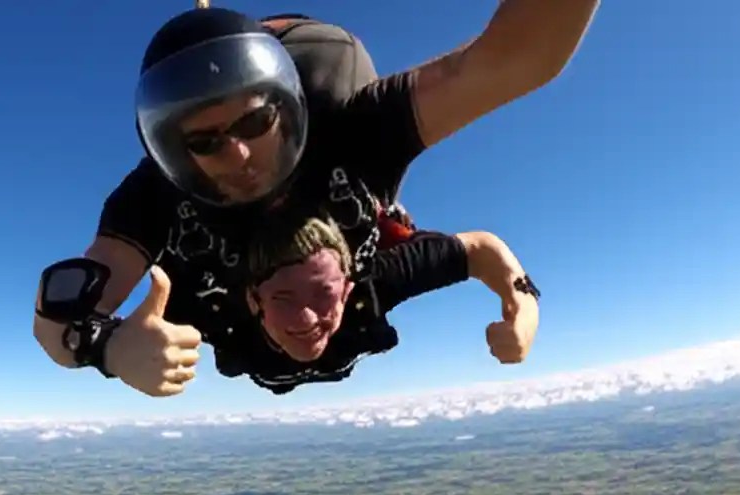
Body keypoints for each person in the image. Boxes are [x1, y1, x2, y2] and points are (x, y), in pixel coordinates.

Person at [32, 2, 600, 398]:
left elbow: (517, 59)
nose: (239, 155)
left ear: (286, 105)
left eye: (254, 121)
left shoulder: (352, 134)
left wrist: (524, 302)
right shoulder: (157, 203)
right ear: (175, 153)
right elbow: (59, 319)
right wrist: (111, 349)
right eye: (204, 141)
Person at [234, 215, 539, 394]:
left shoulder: (374, 282)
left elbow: (480, 249)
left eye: (322, 293)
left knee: (390, 229)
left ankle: (387, 220)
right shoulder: (216, 309)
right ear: (253, 300)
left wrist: (524, 314)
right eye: (283, 299)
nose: (305, 319)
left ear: (346, 291)